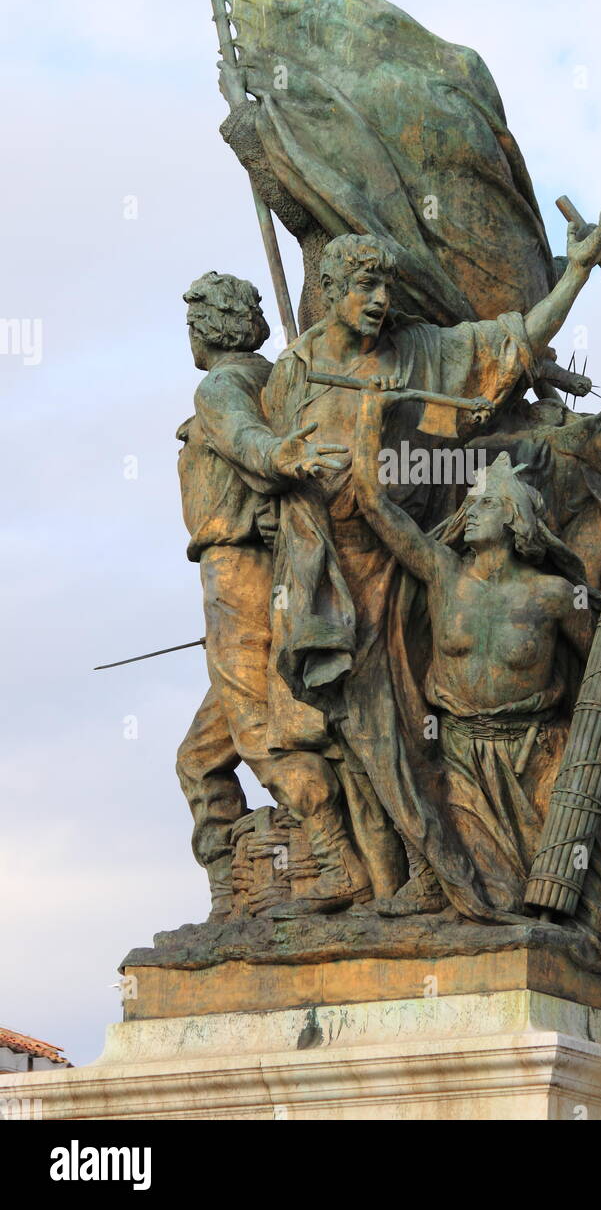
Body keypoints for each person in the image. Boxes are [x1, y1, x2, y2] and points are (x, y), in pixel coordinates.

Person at [261, 208, 601, 918]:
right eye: (365, 288)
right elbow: (265, 462)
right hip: (317, 571)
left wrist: (577, 271)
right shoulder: (294, 372)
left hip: (405, 563)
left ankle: (438, 873)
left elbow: (508, 343)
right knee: (343, 730)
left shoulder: (418, 352)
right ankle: (384, 869)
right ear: (331, 289)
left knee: (399, 722)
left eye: (385, 289)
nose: (379, 302)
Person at [353, 391, 601, 912]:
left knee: (581, 900)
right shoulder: (443, 573)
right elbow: (374, 504)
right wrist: (368, 414)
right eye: (468, 503)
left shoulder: (553, 595)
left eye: (484, 503)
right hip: (460, 757)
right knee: (497, 900)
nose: (469, 513)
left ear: (514, 519)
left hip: (538, 756)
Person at [175, 270, 371, 919]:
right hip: (262, 571)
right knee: (201, 756)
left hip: (238, 573)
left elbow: (243, 439)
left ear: (207, 328)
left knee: (265, 727)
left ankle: (337, 859)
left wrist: (279, 455)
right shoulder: (280, 375)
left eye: (193, 322)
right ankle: (235, 890)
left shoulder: (225, 384)